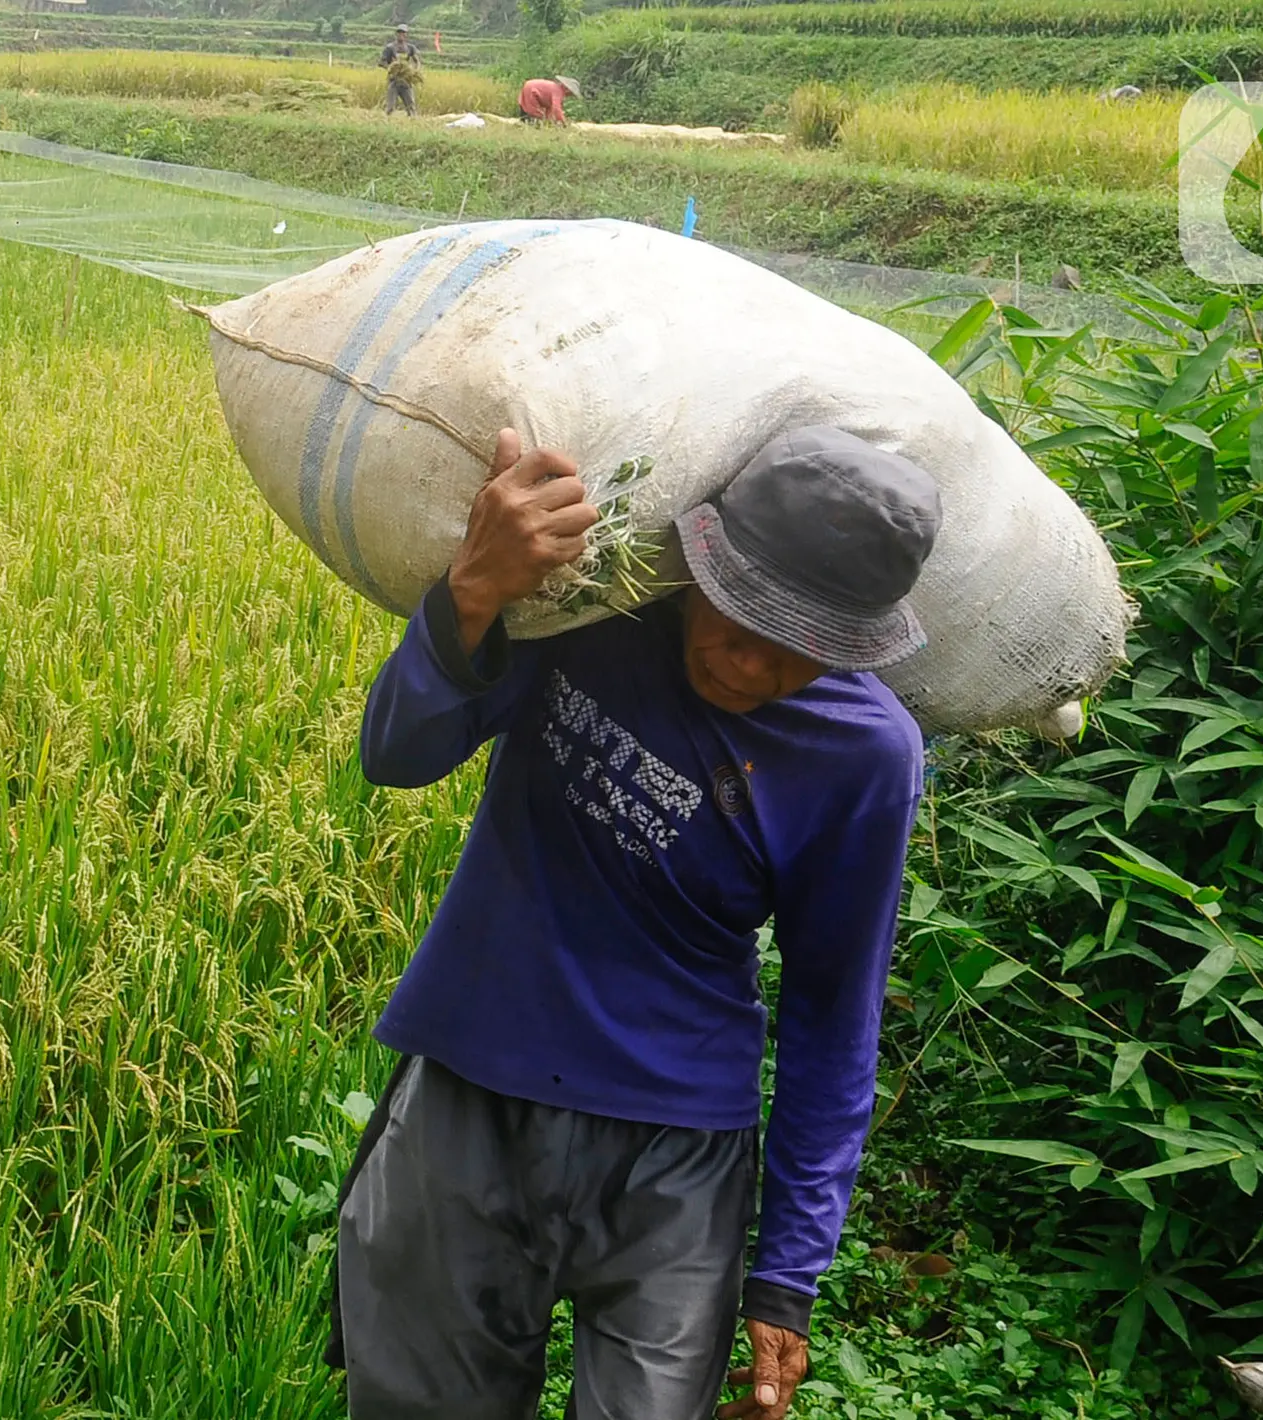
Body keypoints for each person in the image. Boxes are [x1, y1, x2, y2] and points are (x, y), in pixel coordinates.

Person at [331, 425, 941, 1420]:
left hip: (675, 1158)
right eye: (742, 619)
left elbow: (831, 1020)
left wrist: (785, 1274)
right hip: (467, 1095)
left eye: (804, 652)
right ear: (698, 557)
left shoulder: (865, 757)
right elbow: (395, 754)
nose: (751, 667)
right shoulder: (585, 612)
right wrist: (474, 591)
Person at [379, 23, 422, 116]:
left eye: (403, 33)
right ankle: (386, 123)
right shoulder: (390, 48)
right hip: (394, 80)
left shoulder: (410, 48)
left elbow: (417, 61)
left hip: (406, 81)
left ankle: (413, 124)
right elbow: (382, 62)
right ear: (396, 34)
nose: (401, 35)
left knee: (411, 107)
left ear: (406, 35)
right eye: (399, 32)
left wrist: (415, 71)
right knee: (390, 107)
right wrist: (391, 68)